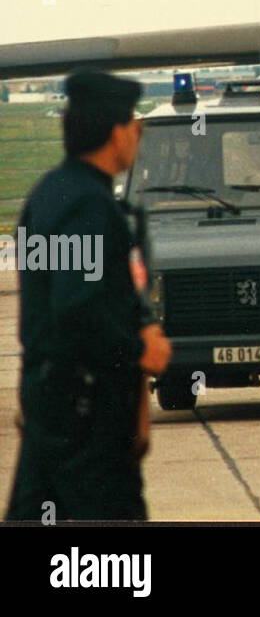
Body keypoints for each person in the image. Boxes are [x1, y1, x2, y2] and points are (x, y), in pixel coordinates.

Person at [6, 70, 172, 522]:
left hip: (52, 398)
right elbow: (76, 307)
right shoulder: (88, 207)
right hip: (86, 409)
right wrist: (140, 350)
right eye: (134, 124)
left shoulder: (51, 194)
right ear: (116, 133)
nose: (138, 134)